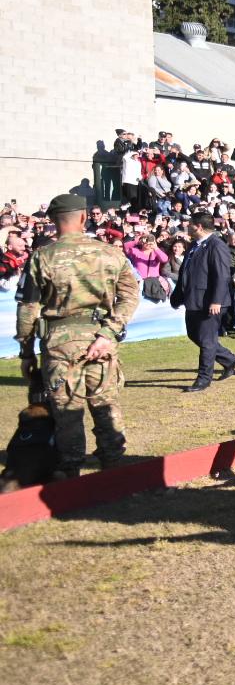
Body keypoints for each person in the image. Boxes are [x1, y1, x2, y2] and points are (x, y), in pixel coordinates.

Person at [14, 194, 141, 476]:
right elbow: (130, 296)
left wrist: (26, 351)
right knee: (106, 404)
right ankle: (114, 465)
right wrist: (109, 332)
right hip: (100, 341)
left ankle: (70, 471)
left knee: (66, 411)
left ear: (52, 221)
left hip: (59, 343)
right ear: (84, 217)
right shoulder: (110, 253)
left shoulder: (41, 257)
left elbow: (28, 308)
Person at [170, 210, 235, 393]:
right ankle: (229, 359)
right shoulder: (195, 245)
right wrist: (178, 296)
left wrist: (216, 300)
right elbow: (185, 273)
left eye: (191, 224)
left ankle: (203, 379)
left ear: (199, 226)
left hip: (211, 302)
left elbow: (222, 275)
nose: (188, 227)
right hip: (194, 300)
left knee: (207, 340)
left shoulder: (216, 245)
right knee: (195, 335)